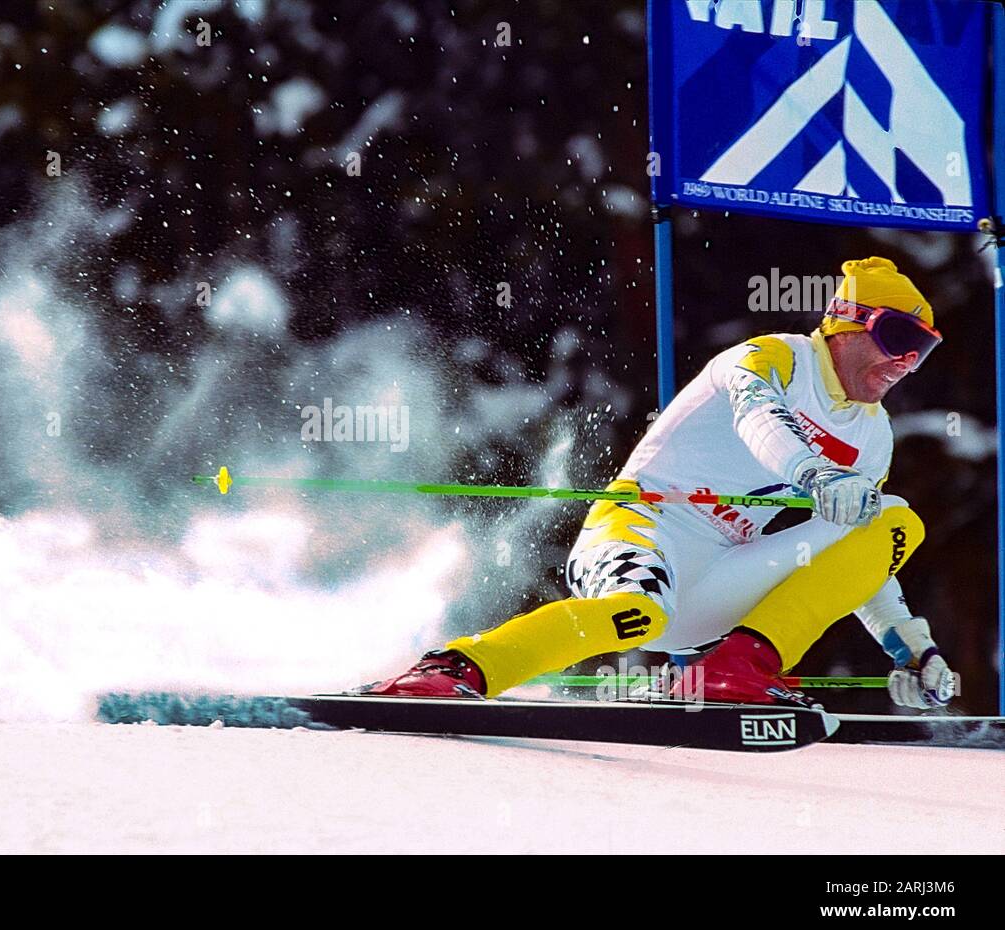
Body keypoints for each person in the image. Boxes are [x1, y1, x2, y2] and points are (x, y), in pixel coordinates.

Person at [368, 257, 957, 709]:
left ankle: (740, 667)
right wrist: (813, 472)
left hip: (719, 576)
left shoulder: (873, 435)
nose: (907, 362)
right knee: (637, 613)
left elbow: (856, 551)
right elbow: (759, 418)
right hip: (638, 529)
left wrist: (908, 644)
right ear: (847, 325)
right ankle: (457, 669)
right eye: (899, 339)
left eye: (923, 351)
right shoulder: (776, 358)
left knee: (893, 518)